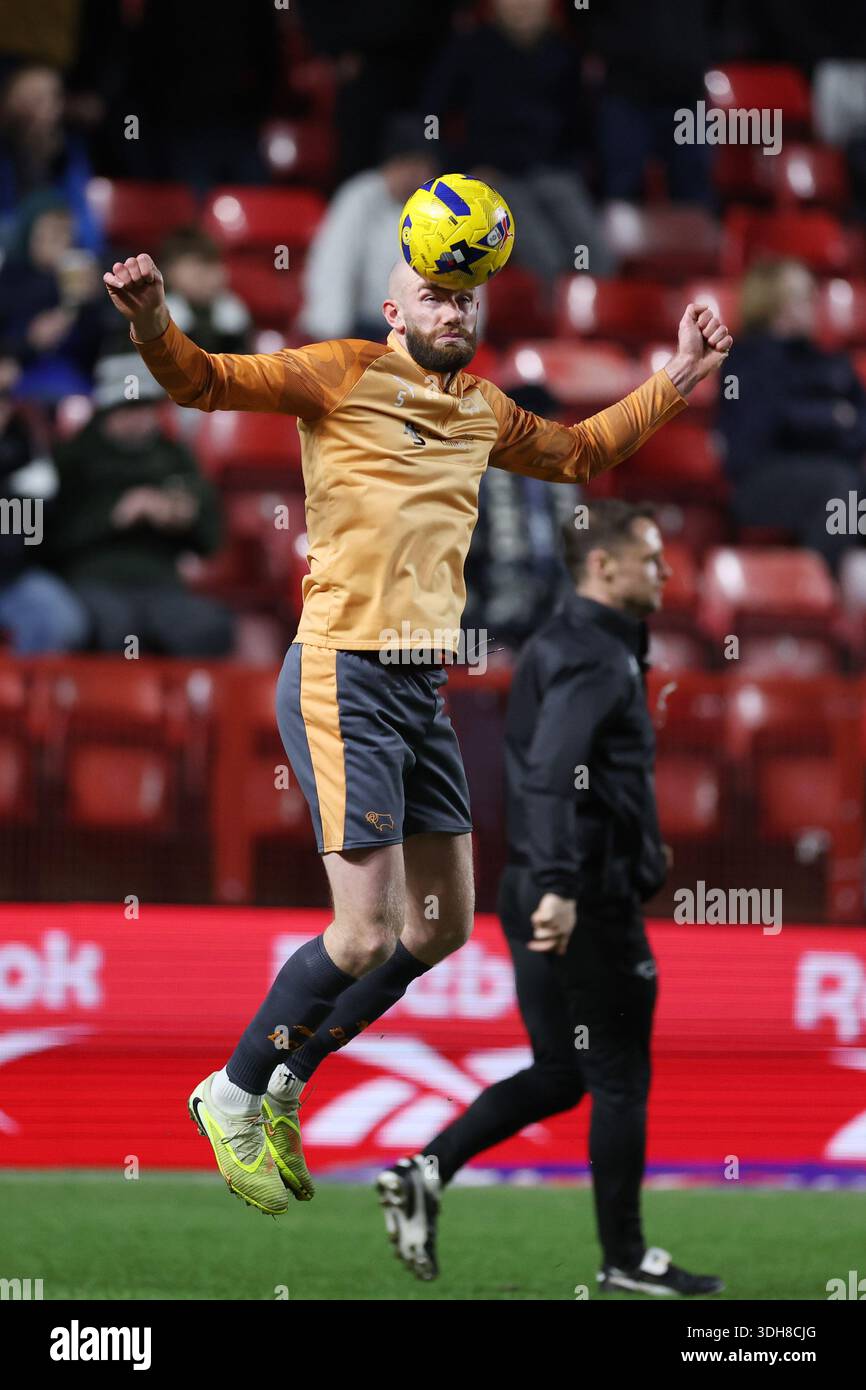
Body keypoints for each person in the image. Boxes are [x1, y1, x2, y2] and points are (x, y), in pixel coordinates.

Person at [103, 241, 731, 1218]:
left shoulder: (480, 410)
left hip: (419, 688)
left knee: (435, 929)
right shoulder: (340, 371)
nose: (454, 312)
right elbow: (203, 382)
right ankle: (229, 1086)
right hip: (342, 669)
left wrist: (677, 377)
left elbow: (578, 454)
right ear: (396, 314)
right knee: (359, 935)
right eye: (435, 297)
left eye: (466, 299)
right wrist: (150, 320)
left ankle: (283, 1073)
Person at [377, 501, 723, 1297]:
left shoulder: (566, 644)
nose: (667, 573)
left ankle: (425, 1171)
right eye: (651, 559)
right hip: (580, 896)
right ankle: (627, 1258)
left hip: (540, 882)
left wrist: (633, 842)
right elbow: (549, 775)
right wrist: (566, 885)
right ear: (603, 566)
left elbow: (574, 771)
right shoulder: (596, 657)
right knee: (619, 1079)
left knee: (564, 1071)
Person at [49, 353, 234, 657]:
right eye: (127, 408)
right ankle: (107, 704)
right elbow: (48, 542)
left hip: (160, 584)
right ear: (105, 410)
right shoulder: (74, 458)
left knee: (209, 627)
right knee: (116, 627)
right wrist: (116, 514)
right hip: (95, 580)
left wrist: (186, 517)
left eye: (146, 407)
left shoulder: (177, 458)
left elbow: (211, 542)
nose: (138, 418)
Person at [424, 0, 615, 280]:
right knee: (544, 255)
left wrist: (572, 170)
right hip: (495, 177)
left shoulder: (565, 53)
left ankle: (591, 317)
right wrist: (461, 170)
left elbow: (581, 129)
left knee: (596, 255)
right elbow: (432, 114)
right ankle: (555, 321)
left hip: (554, 174)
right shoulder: (470, 48)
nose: (522, 5)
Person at [718, 258, 866, 573]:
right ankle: (807, 586)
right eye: (802, 298)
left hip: (837, 471)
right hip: (761, 482)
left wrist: (823, 421)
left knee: (847, 483)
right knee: (841, 486)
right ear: (776, 305)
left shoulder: (829, 362)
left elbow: (859, 423)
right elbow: (761, 428)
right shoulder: (744, 361)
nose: (813, 307)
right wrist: (830, 418)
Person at [299, 113, 436, 342]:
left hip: (424, 335)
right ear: (392, 164)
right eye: (410, 165)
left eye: (425, 166)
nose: (418, 175)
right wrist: (332, 334)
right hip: (366, 330)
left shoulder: (439, 205)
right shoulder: (360, 197)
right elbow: (334, 266)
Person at [160, 227, 252, 356]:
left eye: (212, 264)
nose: (206, 276)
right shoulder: (159, 317)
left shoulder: (233, 311)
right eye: (195, 267)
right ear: (170, 272)